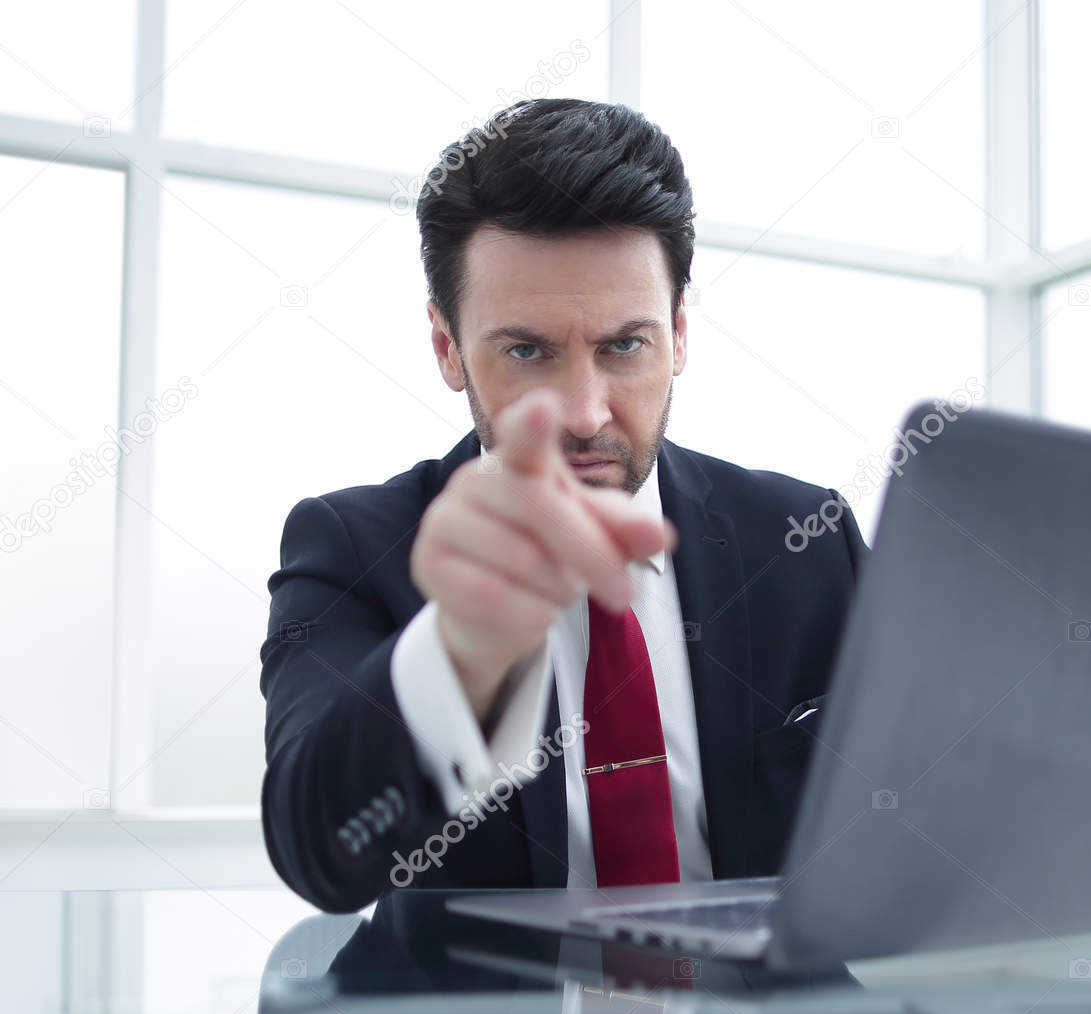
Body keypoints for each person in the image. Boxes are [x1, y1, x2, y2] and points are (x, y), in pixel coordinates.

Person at [260, 99, 866, 914]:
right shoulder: (352, 545)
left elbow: (922, 825)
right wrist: (460, 651)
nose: (584, 412)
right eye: (525, 350)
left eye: (624, 344)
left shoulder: (806, 541)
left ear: (679, 334)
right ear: (447, 348)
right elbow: (321, 854)